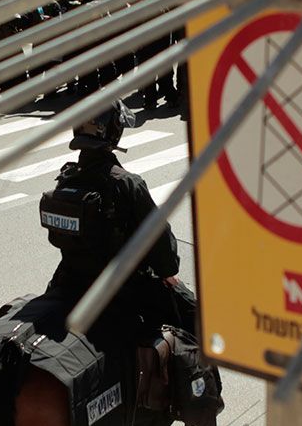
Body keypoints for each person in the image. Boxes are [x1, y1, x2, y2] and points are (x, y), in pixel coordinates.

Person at [39, 100, 194, 347]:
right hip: (124, 290)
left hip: (70, 280)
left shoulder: (66, 179)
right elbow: (163, 250)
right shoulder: (126, 184)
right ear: (114, 131)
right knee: (194, 320)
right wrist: (167, 272)